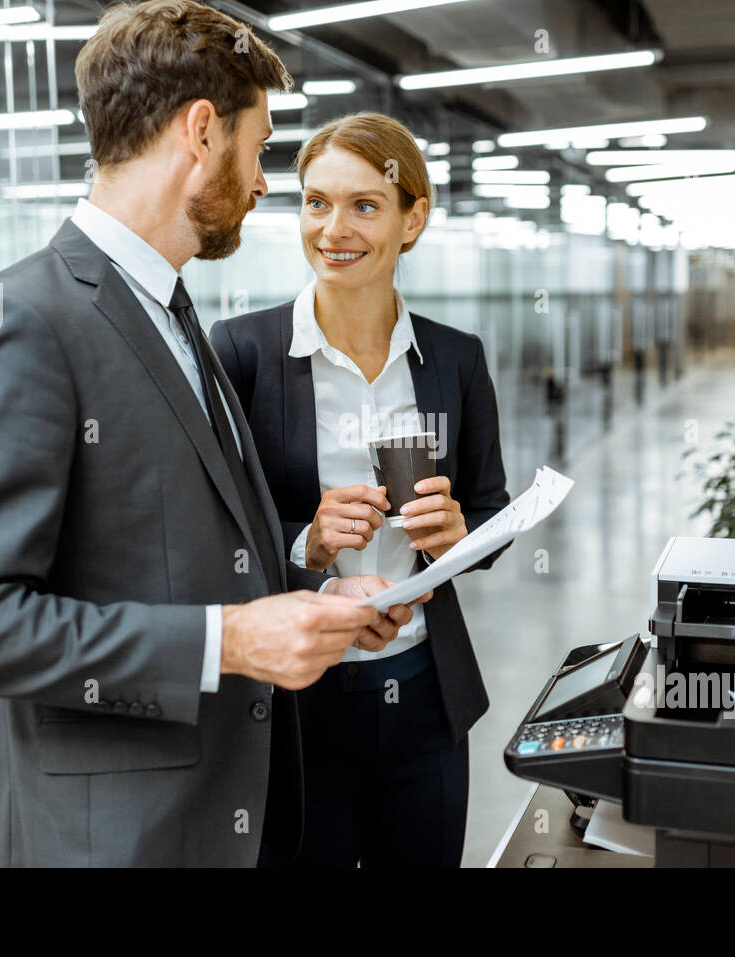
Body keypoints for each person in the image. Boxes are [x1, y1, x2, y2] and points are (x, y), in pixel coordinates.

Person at [0, 1, 424, 868]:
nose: (264, 182)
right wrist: (230, 641)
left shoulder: (176, 315)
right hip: (112, 838)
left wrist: (313, 598)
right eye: (257, 148)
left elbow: (191, 546)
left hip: (225, 815)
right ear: (199, 132)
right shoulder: (18, 324)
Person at [211, 113, 510, 868]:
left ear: (413, 219)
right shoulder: (244, 351)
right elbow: (213, 535)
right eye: (315, 202)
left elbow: (493, 511)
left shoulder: (454, 359)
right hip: (298, 698)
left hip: (425, 692)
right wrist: (304, 542)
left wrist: (461, 535)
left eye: (364, 205)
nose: (332, 228)